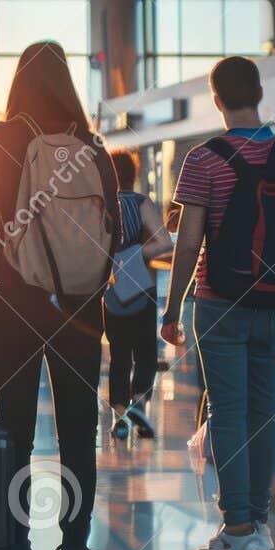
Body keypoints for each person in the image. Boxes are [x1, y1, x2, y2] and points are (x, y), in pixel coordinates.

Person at [0, 41, 119, 550]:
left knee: (16, 428)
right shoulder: (91, 147)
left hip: (16, 302)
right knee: (79, 427)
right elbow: (114, 231)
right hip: (80, 309)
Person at [161, 56, 275, 550]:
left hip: (221, 302)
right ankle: (259, 525)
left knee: (228, 411)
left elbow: (188, 244)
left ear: (216, 98)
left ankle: (237, 528)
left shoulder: (203, 159)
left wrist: (172, 306)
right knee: (265, 409)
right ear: (261, 91)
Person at [104, 151, 173, 440]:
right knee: (145, 353)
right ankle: (139, 409)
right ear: (134, 174)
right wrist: (136, 255)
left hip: (111, 290)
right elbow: (165, 243)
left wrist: (115, 258)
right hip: (142, 287)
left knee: (118, 354)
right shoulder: (141, 203)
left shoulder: (103, 206)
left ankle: (119, 418)